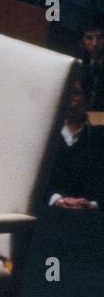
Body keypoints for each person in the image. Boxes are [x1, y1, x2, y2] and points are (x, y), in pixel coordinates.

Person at [43, 76, 103, 212]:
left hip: (90, 216)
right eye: (66, 92)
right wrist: (57, 199)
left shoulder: (98, 136)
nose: (70, 98)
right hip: (50, 212)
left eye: (76, 93)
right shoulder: (47, 135)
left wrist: (92, 204)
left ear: (87, 99)